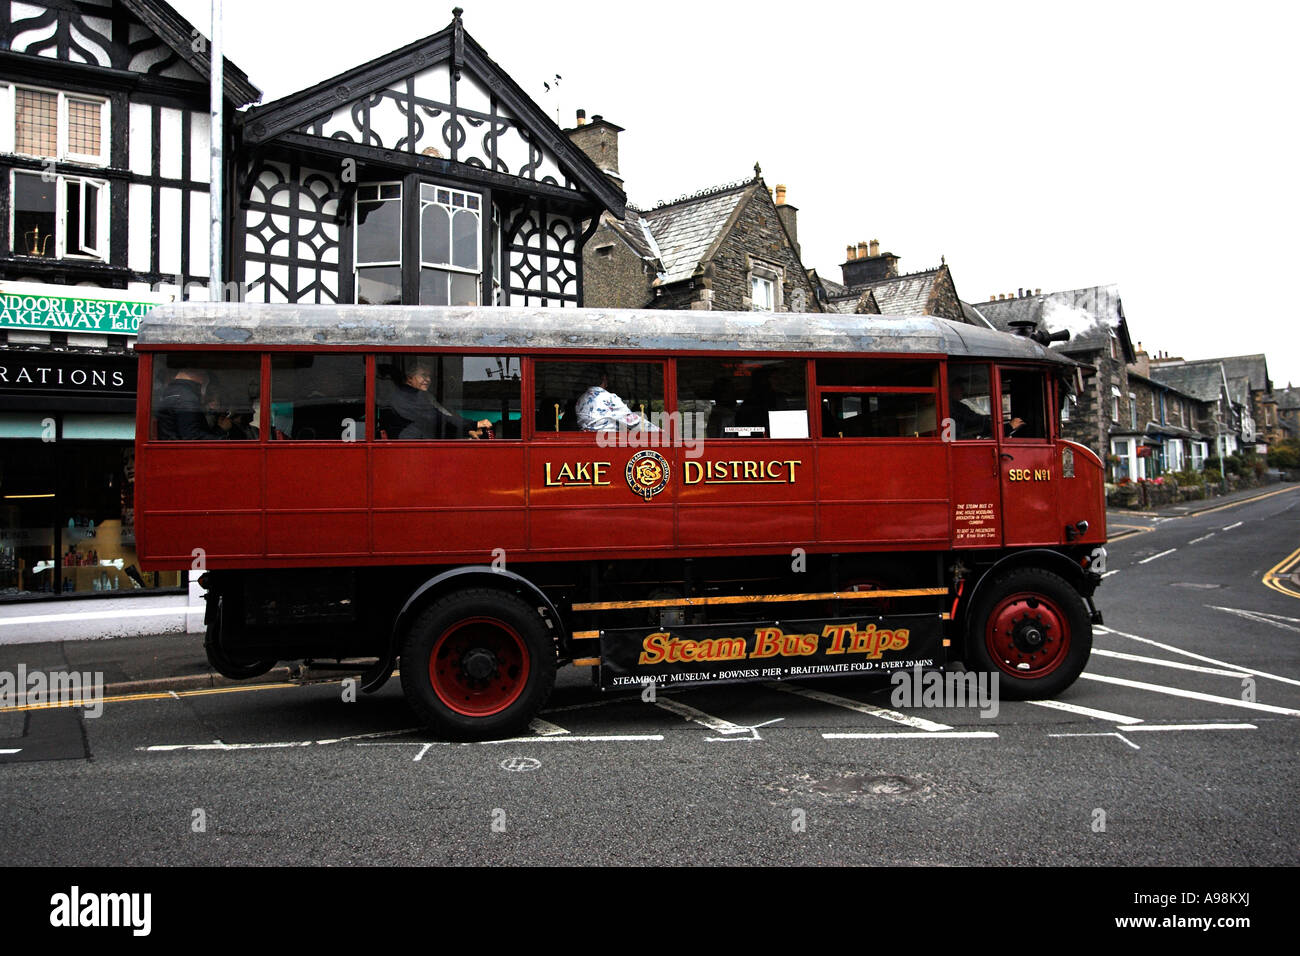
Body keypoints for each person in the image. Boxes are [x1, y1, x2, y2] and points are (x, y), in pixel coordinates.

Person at [387, 361, 492, 439]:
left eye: (429, 376)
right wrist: (474, 424)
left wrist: (467, 431)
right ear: (409, 378)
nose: (428, 379)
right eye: (423, 375)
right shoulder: (407, 397)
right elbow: (438, 420)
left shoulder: (416, 395)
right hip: (409, 449)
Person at [155, 369, 233, 440]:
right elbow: (192, 437)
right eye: (210, 394)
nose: (214, 404)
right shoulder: (187, 399)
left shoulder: (173, 392)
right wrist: (221, 433)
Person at [576, 367, 660, 432]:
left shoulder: (580, 399)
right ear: (604, 380)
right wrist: (657, 431)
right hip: (607, 440)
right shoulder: (609, 398)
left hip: (587, 438)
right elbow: (631, 420)